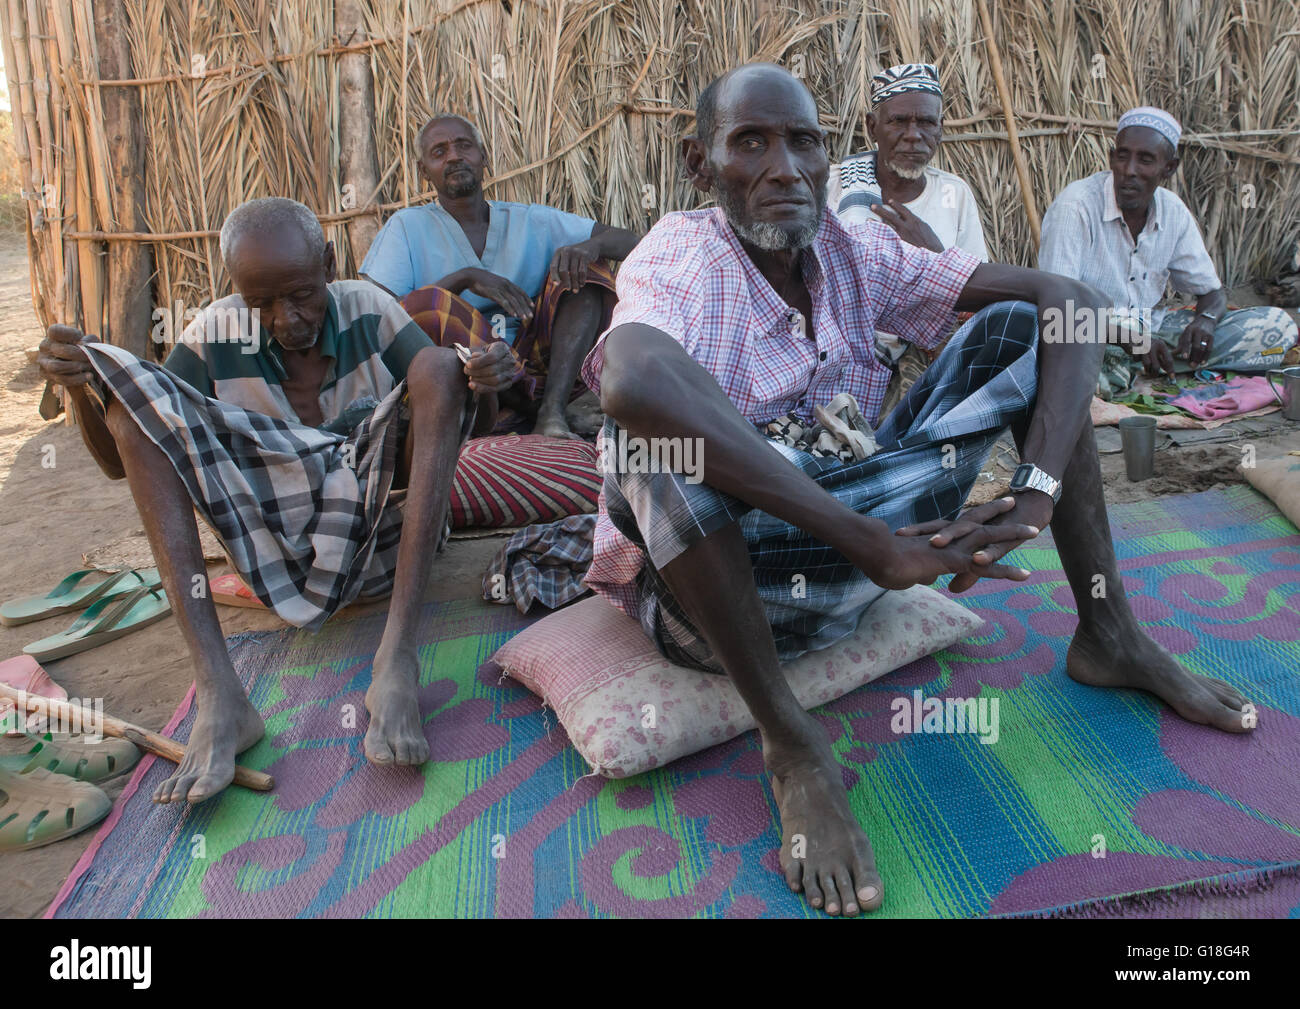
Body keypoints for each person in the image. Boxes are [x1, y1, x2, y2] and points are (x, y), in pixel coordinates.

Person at [582, 65, 1255, 917]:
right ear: (699, 164)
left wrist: (1038, 490)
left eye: (804, 141)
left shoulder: (853, 247)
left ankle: (1108, 632)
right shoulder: (680, 253)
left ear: (831, 160)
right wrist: (867, 539)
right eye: (751, 142)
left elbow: (1070, 302)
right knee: (650, 438)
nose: (785, 167)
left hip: (870, 545)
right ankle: (792, 746)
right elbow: (632, 378)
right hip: (729, 593)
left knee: (1026, 330)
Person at [37, 198, 518, 804]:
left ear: (329, 262)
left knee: (440, 369)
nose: (284, 319)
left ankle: (395, 661)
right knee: (135, 414)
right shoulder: (215, 331)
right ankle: (220, 692)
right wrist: (88, 389)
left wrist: (485, 382)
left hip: (382, 542)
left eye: (299, 294)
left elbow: (453, 414)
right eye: (259, 302)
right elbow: (123, 457)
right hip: (277, 556)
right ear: (235, 290)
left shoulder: (367, 308)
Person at [361, 114, 640, 438]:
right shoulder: (406, 227)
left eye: (464, 146)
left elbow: (630, 242)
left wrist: (590, 247)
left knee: (585, 270)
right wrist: (465, 278)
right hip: (469, 379)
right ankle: (544, 415)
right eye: (439, 152)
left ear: (484, 157)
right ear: (424, 172)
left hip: (538, 371)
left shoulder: (529, 220)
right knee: (426, 303)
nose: (454, 156)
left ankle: (552, 411)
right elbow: (378, 318)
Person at [1039, 106, 1297, 397]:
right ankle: (1128, 370)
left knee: (1275, 327)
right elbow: (1056, 312)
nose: (1129, 170)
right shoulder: (1075, 208)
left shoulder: (1172, 211)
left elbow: (1212, 293)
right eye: (1122, 156)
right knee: (1070, 365)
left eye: (1145, 160)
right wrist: (1128, 339)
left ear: (1170, 167)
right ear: (1112, 157)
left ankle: (1137, 369)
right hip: (1088, 334)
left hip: (1151, 332)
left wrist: (1205, 322)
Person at [828, 63, 988, 410]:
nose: (914, 135)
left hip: (923, 347)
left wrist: (933, 253)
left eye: (926, 123)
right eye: (899, 121)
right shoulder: (835, 187)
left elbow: (977, 300)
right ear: (873, 127)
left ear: (940, 130)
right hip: (839, 344)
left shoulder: (954, 194)